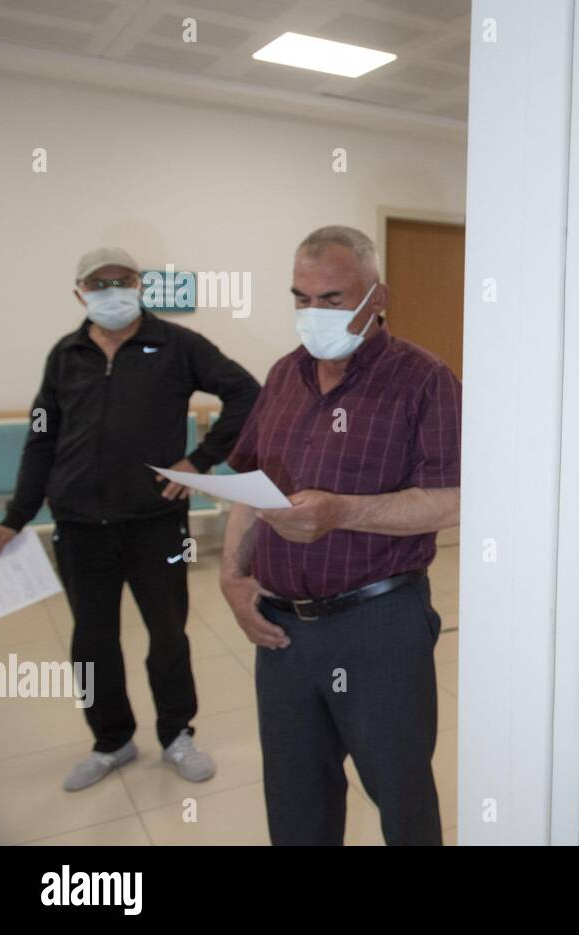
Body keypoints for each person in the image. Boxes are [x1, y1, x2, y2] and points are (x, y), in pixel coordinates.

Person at [219, 225, 461, 845]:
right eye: (301, 298)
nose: (313, 313)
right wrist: (232, 579)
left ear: (376, 297)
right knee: (296, 801)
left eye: (331, 298)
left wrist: (342, 512)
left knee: (401, 795)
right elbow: (251, 482)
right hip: (281, 631)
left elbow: (453, 499)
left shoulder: (424, 381)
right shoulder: (282, 375)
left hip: (379, 627)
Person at [0, 247, 260, 790]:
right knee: (92, 641)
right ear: (80, 293)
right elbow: (41, 438)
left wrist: (199, 462)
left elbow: (246, 393)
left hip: (155, 521)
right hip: (78, 526)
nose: (112, 289)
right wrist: (16, 517)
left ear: (141, 285)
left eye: (124, 279)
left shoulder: (178, 345)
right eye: (99, 282)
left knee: (168, 634)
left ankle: (177, 734)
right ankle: (111, 741)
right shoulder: (65, 355)